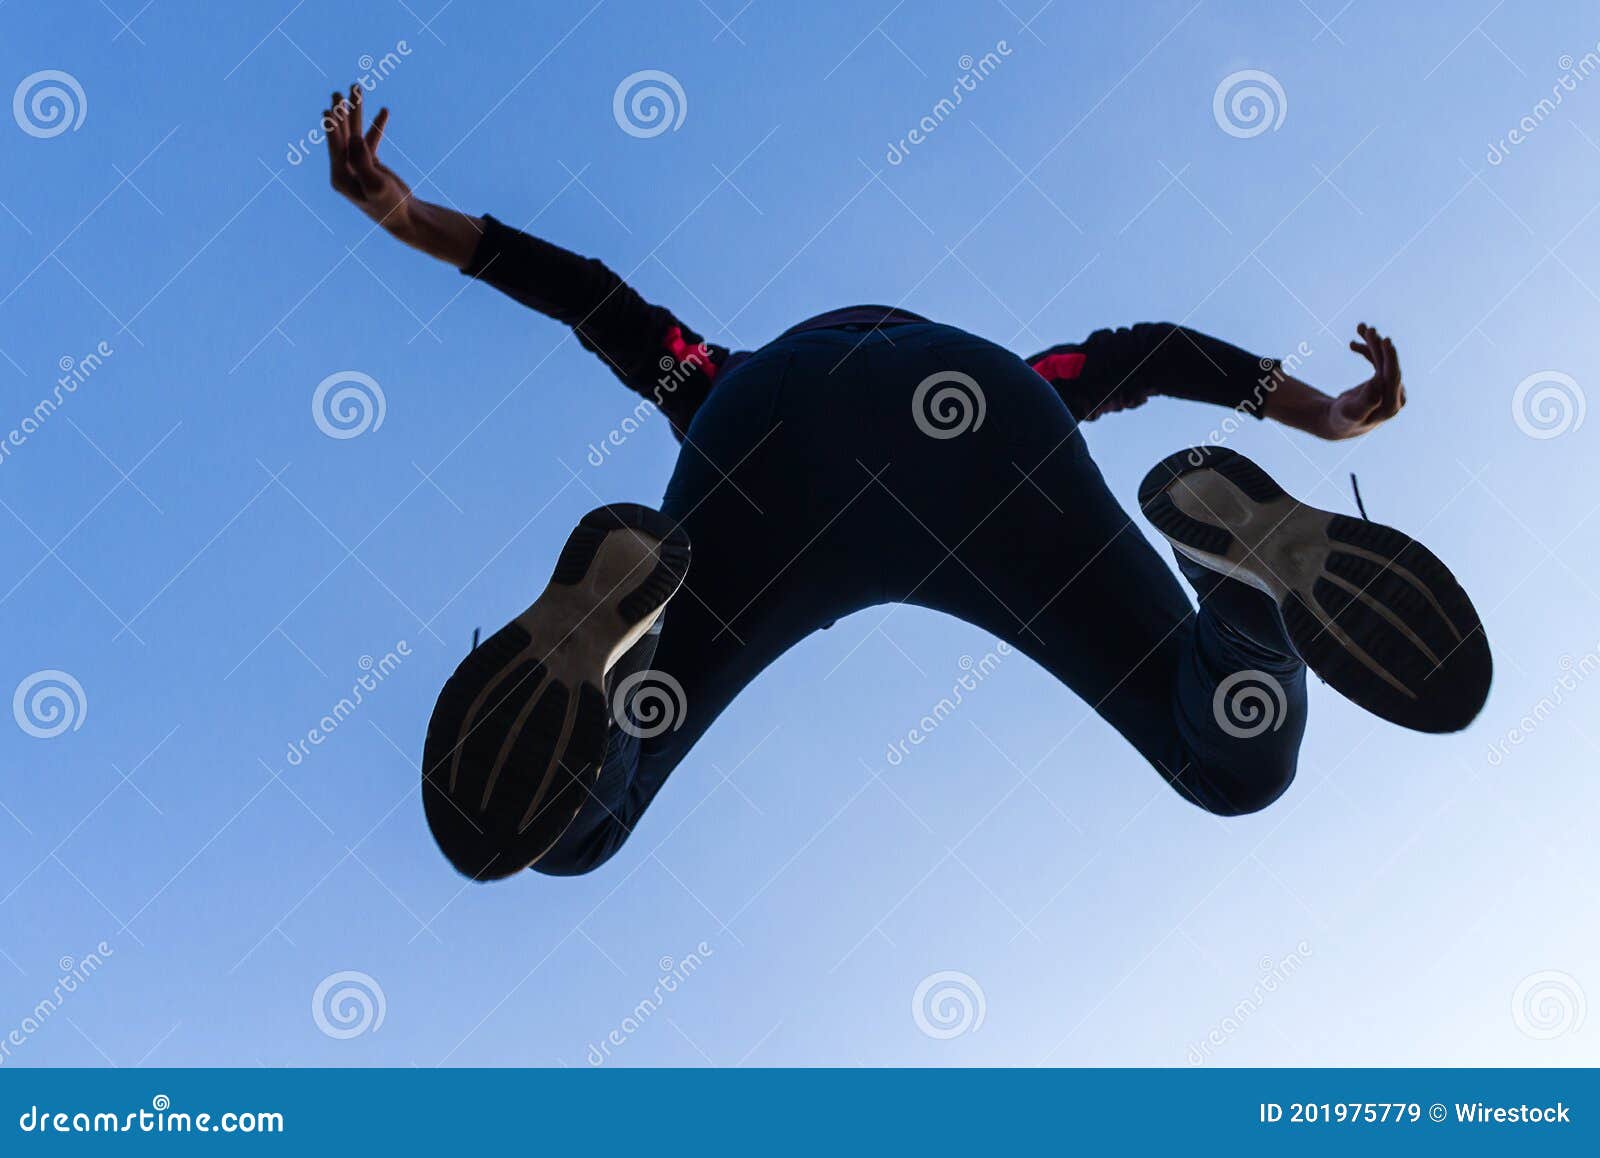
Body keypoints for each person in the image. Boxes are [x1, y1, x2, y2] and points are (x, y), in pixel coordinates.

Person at [321, 87, 1492, 882]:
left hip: (756, 435)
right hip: (982, 417)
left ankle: (604, 636)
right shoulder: (1019, 381)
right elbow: (1145, 353)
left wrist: (405, 213)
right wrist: (1321, 413)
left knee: (580, 834)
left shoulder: (712, 377)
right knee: (1226, 765)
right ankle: (1242, 599)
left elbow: (597, 301)